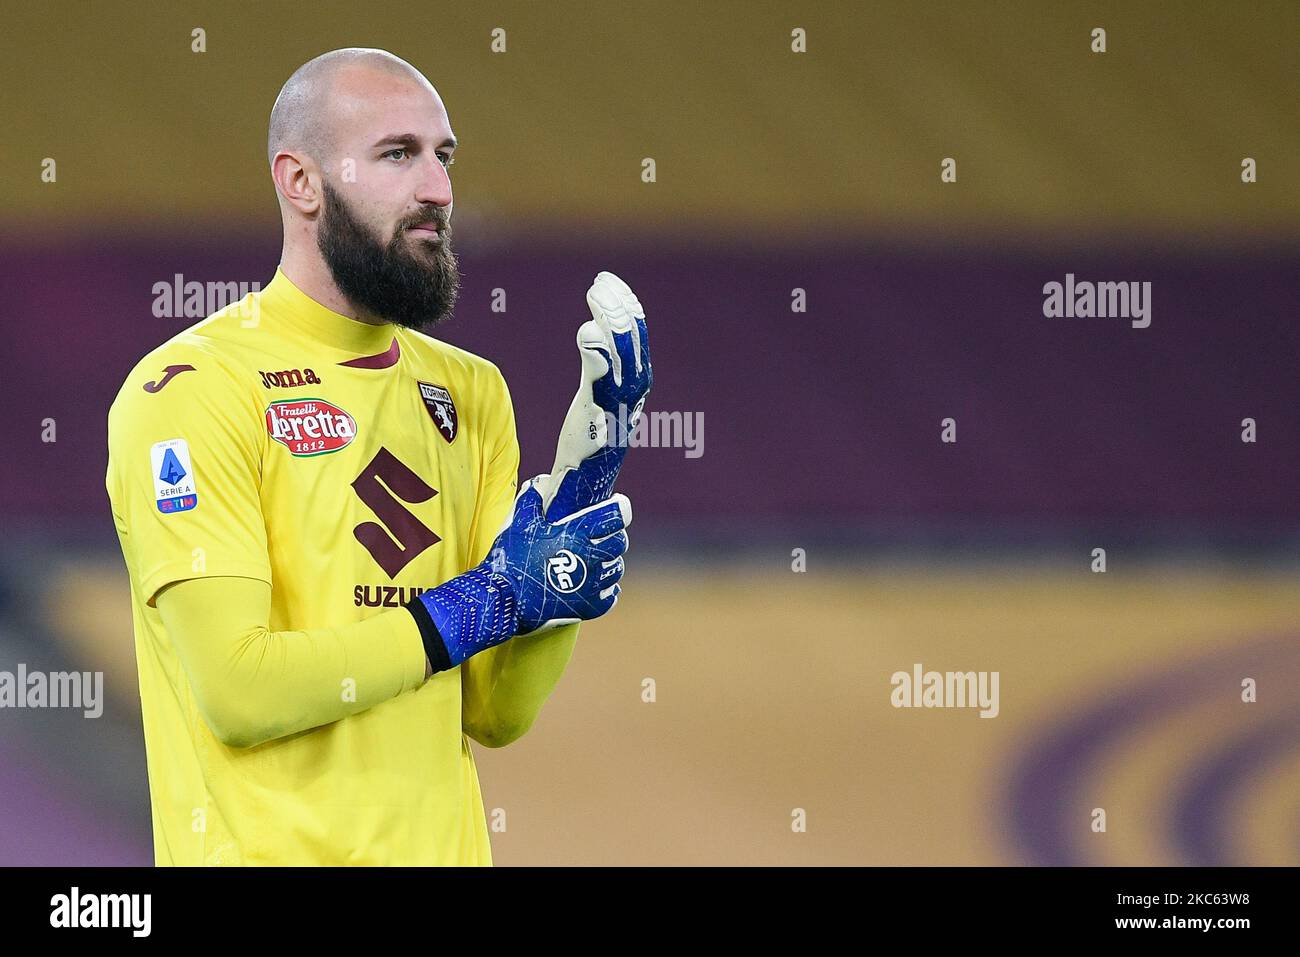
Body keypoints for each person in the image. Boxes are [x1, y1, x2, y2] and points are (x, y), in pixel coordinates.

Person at [104, 48, 643, 866]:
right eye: (399, 154)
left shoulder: (472, 393)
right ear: (301, 182)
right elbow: (238, 690)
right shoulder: (191, 388)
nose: (439, 190)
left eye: (443, 156)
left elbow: (495, 712)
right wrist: (476, 605)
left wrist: (572, 519)